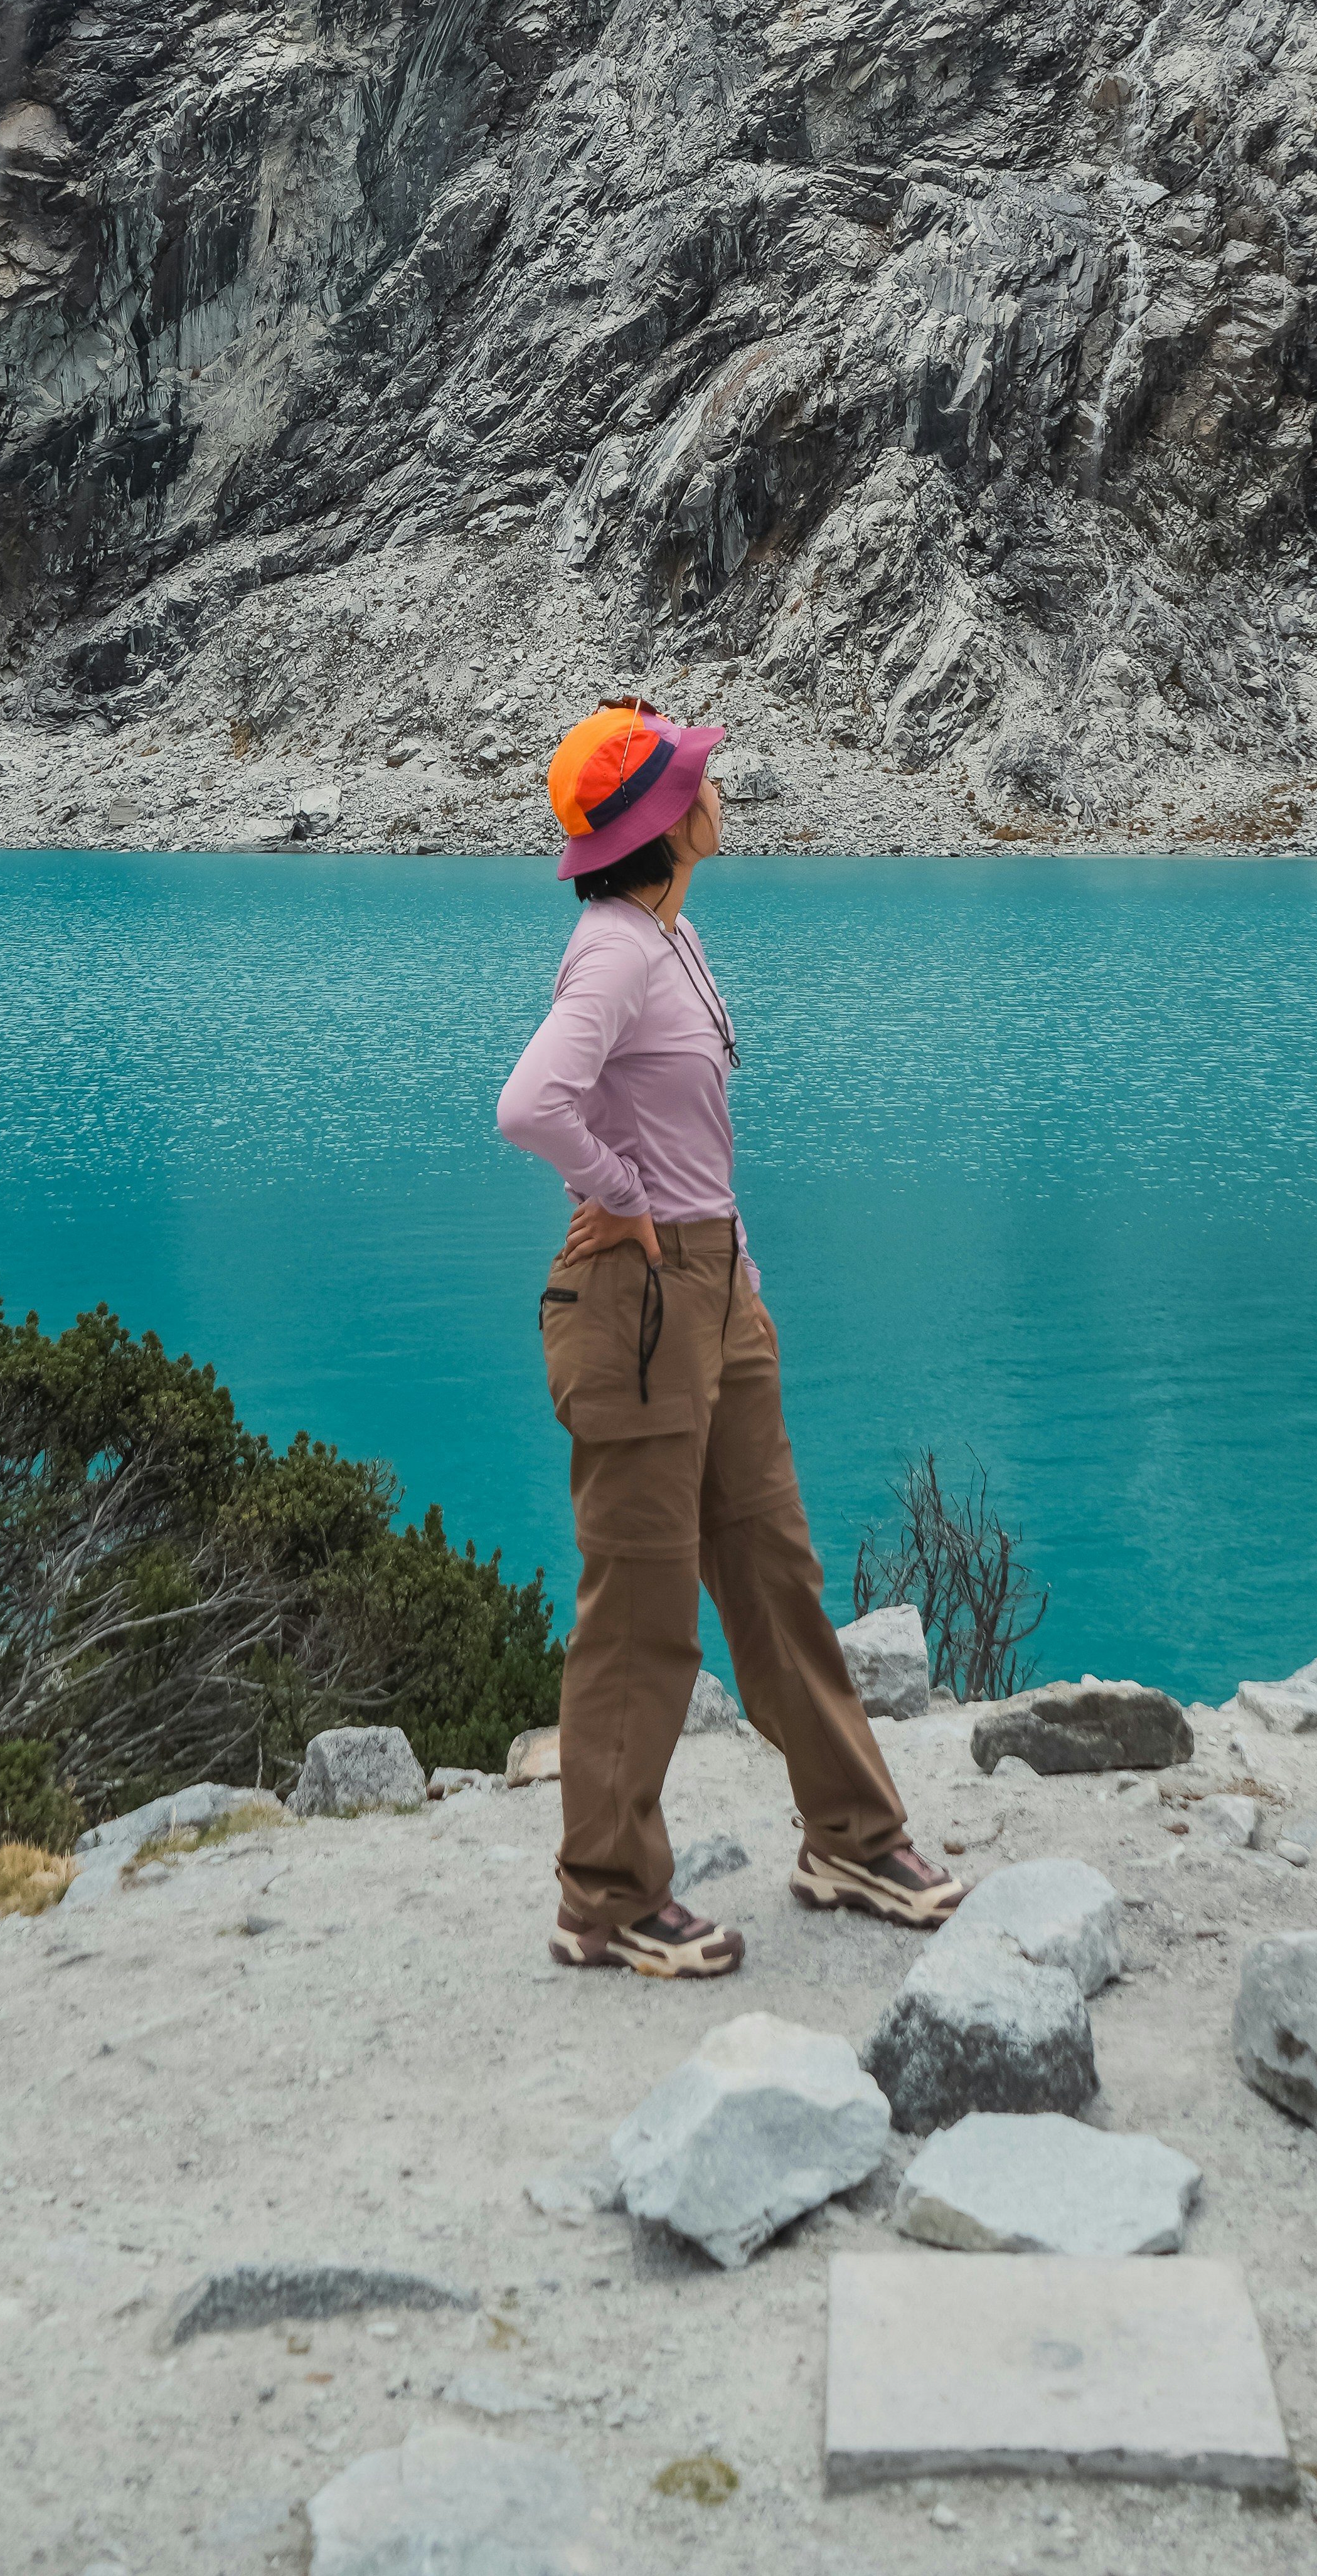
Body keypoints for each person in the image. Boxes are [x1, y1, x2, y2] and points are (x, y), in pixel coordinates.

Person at [494, 697, 966, 1977]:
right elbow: (530, 1104)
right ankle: (603, 1897)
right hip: (640, 1306)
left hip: (712, 1293)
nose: (720, 790)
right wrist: (624, 1195)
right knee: (640, 1610)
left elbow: (690, 1136)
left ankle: (852, 1835)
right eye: (703, 778)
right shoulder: (613, 952)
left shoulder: (673, 936)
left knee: (772, 1570)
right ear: (666, 819)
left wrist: (734, 1269)